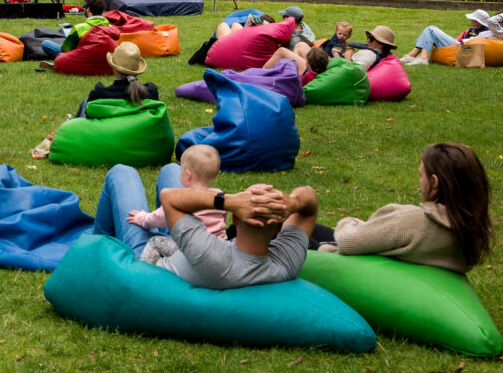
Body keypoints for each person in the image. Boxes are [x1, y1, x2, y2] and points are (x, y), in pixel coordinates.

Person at [92, 164, 318, 289]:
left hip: (150, 258)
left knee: (122, 172)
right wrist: (294, 202)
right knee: (173, 169)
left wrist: (227, 200)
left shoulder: (213, 255)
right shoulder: (286, 261)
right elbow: (310, 200)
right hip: (181, 248)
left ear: (235, 219)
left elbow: (169, 198)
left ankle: (98, 247)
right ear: (279, 229)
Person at [320, 142, 492, 274]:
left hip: (332, 259)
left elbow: (347, 243)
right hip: (382, 251)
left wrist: (349, 221)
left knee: (304, 217)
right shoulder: (471, 229)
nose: (419, 182)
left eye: (421, 175)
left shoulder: (414, 221)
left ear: (435, 182)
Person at [31, 42, 159, 157]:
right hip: (137, 142)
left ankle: (70, 135)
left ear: (113, 67)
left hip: (107, 140)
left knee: (87, 101)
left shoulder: (100, 93)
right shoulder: (151, 92)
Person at [128, 145, 228, 264]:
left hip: (186, 251)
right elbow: (224, 219)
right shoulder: (219, 196)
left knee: (155, 242)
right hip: (218, 247)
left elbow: (158, 217)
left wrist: (142, 218)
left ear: (188, 174)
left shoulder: (182, 198)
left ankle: (145, 266)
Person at [401, 9, 503, 66]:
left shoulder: (500, 33)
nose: (497, 23)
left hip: (463, 49)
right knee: (430, 32)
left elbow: (490, 21)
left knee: (431, 29)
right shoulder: (493, 32)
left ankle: (422, 58)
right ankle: (412, 56)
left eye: (499, 21)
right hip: (462, 45)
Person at [40, 0, 110, 64]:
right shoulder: (110, 27)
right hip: (102, 57)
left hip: (80, 58)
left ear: (88, 10)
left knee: (45, 44)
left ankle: (60, 60)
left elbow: (65, 48)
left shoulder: (79, 28)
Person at [262, 45, 329, 83]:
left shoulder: (308, 76)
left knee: (281, 50)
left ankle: (260, 73)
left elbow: (297, 85)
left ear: (308, 63)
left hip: (303, 73)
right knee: (300, 45)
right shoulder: (325, 72)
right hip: (315, 70)